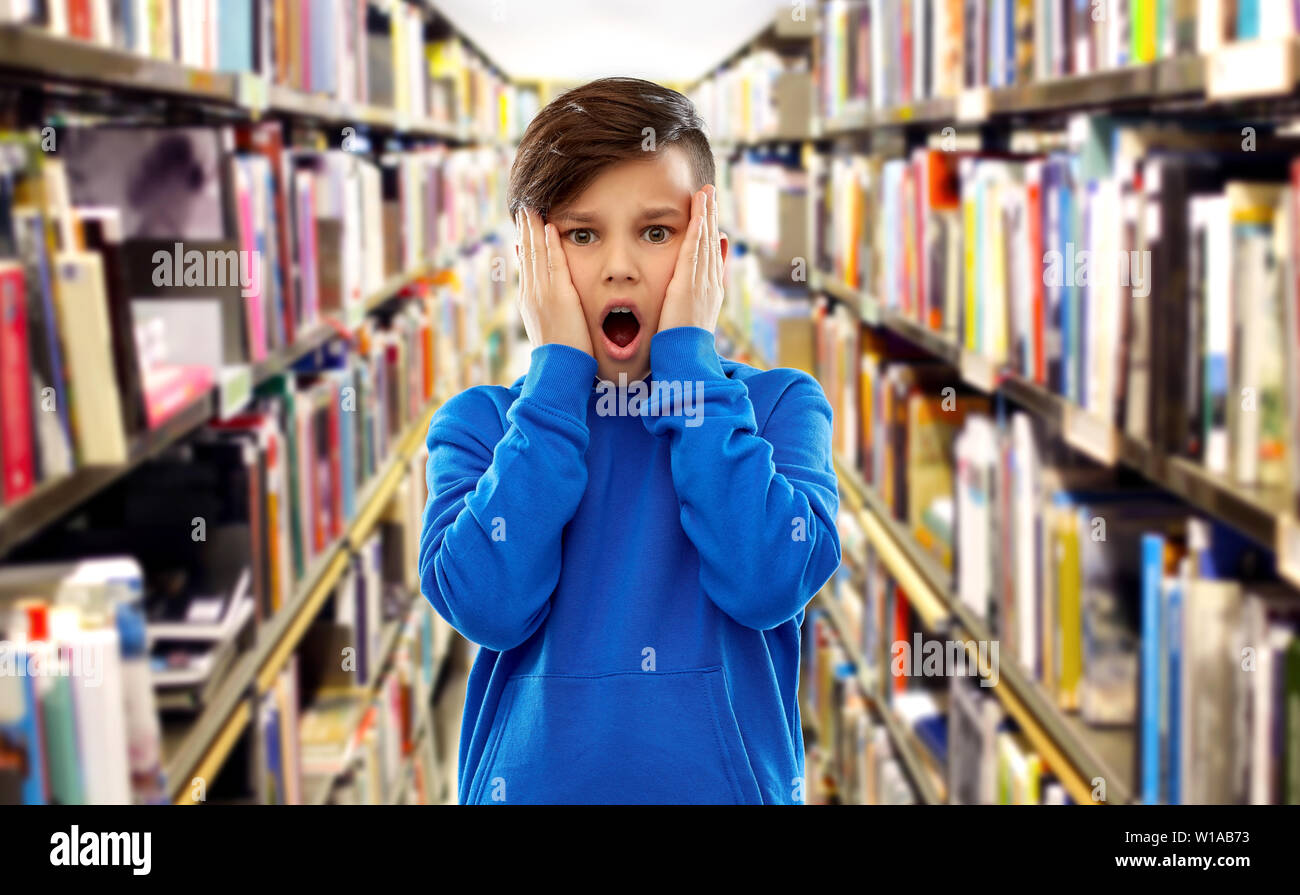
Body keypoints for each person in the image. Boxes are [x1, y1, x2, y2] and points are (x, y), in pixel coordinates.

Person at [418, 77, 841, 804]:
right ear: (531, 263)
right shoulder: (480, 427)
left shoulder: (778, 409)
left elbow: (769, 578)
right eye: (582, 235)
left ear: (711, 254)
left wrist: (690, 366)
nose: (621, 265)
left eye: (656, 232)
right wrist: (556, 386)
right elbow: (486, 604)